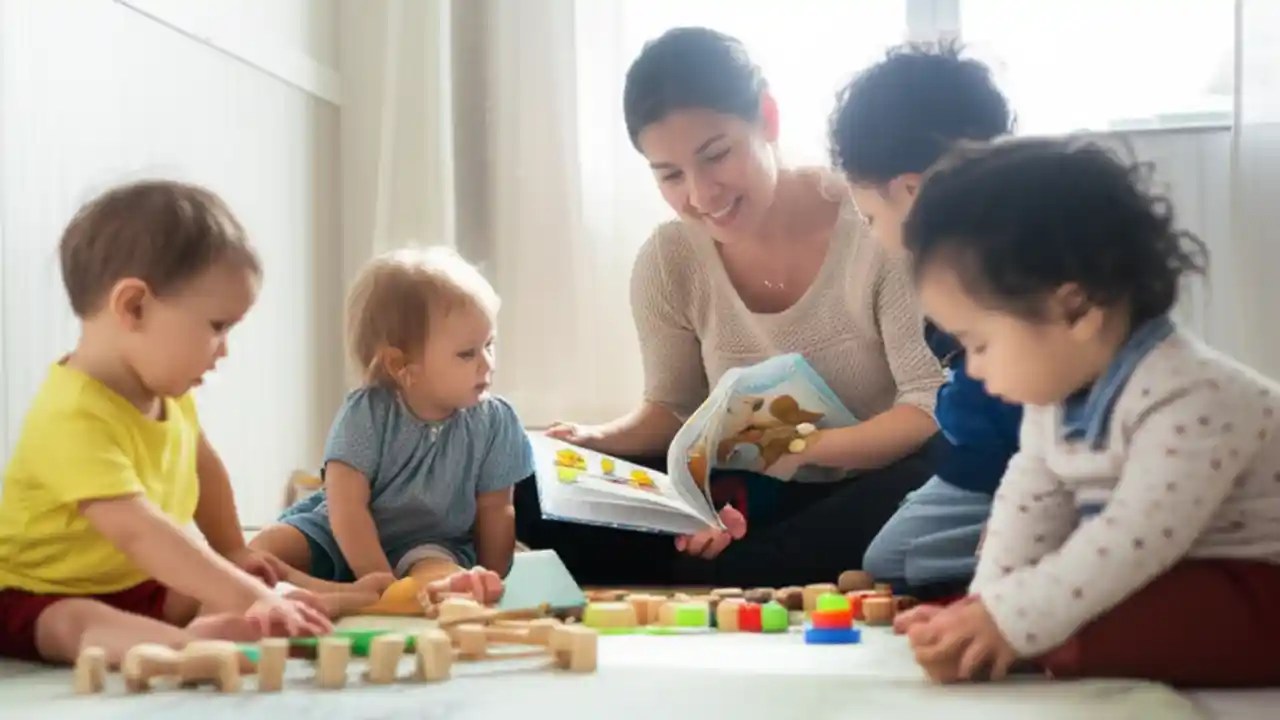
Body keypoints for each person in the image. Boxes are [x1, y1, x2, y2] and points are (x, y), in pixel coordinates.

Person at [519, 27, 946, 587]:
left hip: (873, 483)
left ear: (767, 118)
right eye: (669, 175)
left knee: (933, 480)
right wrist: (593, 440)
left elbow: (926, 403)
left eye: (715, 155)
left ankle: (720, 564)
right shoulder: (669, 258)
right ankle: (721, 557)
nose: (701, 195)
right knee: (527, 482)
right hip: (748, 496)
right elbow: (672, 408)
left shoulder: (872, 223)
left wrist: (811, 448)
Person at [898, 137, 1280, 686]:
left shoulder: (1191, 397)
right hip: (1176, 568)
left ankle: (1055, 642)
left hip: (1256, 581)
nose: (973, 370)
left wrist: (1010, 621)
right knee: (1038, 602)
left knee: (1093, 619)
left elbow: (1133, 539)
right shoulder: (1056, 398)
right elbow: (1028, 503)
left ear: (1074, 308)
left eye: (978, 344)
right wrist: (986, 604)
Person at [0, 181, 333, 666]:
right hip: (37, 592)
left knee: (229, 584)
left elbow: (204, 469)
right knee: (76, 624)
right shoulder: (71, 415)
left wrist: (234, 554)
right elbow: (139, 531)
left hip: (138, 584)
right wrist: (246, 594)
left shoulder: (168, 395)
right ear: (134, 306)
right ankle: (184, 647)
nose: (225, 350)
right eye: (217, 327)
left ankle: (212, 624)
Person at [827, 43, 1023, 598]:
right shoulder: (959, 264)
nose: (868, 230)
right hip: (984, 465)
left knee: (893, 558)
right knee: (891, 551)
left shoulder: (991, 273)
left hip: (1017, 471)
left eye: (869, 216)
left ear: (913, 191)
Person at [250, 247, 534, 605]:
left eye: (489, 345)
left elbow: (496, 508)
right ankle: (338, 592)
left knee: (440, 573)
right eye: (467, 354)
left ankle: (370, 593)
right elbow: (346, 507)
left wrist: (490, 575)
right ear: (402, 365)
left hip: (431, 542)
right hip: (340, 532)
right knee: (265, 548)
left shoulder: (495, 421)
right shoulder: (368, 413)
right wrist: (378, 580)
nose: (486, 364)